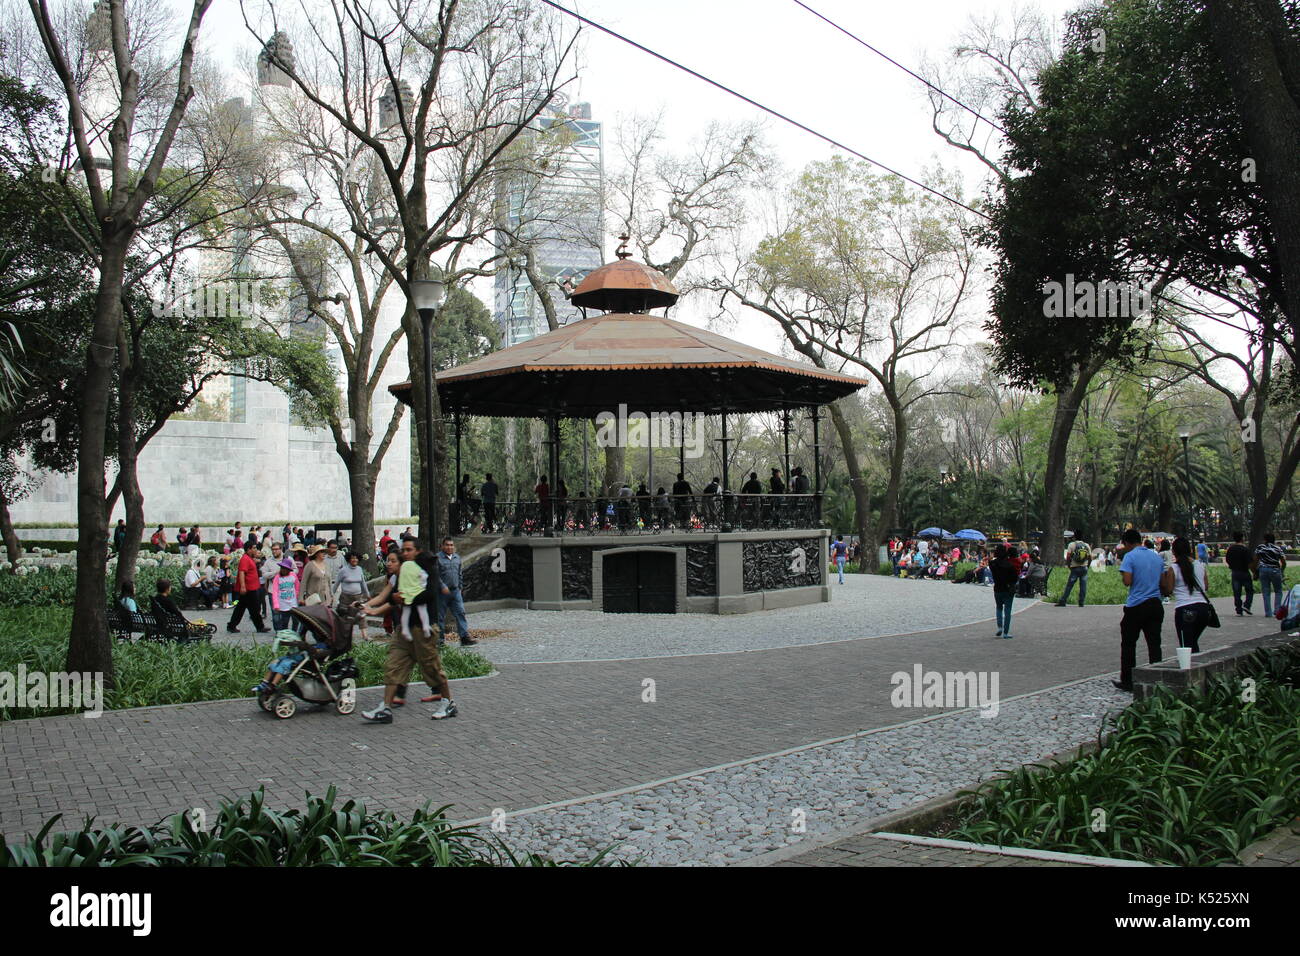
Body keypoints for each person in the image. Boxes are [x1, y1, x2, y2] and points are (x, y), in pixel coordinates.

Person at [362, 538, 457, 723]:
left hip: (424, 629)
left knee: (432, 668)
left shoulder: (429, 569)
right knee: (393, 665)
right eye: (403, 550)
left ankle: (448, 702)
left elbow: (429, 594)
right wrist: (372, 610)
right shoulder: (404, 570)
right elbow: (393, 597)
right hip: (404, 630)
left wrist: (405, 600)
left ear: (418, 551)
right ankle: (385, 708)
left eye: (408, 550)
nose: (404, 553)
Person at [1114, 528, 1172, 692]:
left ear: (1127, 542)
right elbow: (1162, 583)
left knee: (1129, 644)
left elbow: (1127, 581)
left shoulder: (1130, 556)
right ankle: (1156, 678)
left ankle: (1128, 681)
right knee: (1154, 644)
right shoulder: (1155, 557)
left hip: (1136, 605)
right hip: (1155, 604)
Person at [1170, 536, 1212, 654]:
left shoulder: (1174, 568)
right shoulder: (1200, 565)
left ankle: (1189, 668)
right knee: (1193, 642)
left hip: (1185, 609)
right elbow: (1206, 586)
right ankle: (1197, 665)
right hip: (1203, 610)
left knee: (1186, 646)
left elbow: (1168, 589)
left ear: (1174, 551)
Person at [434, 536, 477, 647]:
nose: (449, 547)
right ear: (442, 546)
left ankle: (464, 637)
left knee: (461, 612)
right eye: (447, 545)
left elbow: (459, 573)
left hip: (455, 591)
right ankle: (440, 640)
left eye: (451, 545)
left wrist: (460, 586)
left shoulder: (457, 558)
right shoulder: (437, 558)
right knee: (440, 616)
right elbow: (435, 575)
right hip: (441, 592)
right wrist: (442, 586)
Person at [227, 542, 269, 634]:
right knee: (254, 608)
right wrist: (242, 586)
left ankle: (231, 625)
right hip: (249, 588)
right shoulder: (245, 559)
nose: (256, 550)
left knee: (241, 608)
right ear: (248, 549)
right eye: (254, 548)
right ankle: (260, 626)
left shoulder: (247, 558)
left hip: (249, 587)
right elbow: (242, 572)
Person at [989, 544, 1019, 639]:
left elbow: (991, 562)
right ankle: (1006, 633)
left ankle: (999, 627)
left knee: (998, 608)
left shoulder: (992, 564)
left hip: (997, 588)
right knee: (1007, 610)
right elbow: (1014, 578)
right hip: (1008, 589)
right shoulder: (1010, 565)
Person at [1255, 533, 1287, 617]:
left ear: (1265, 539)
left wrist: (1255, 572)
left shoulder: (1260, 547)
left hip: (1263, 570)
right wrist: (1282, 570)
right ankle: (1277, 610)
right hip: (1275, 570)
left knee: (1266, 591)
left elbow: (1255, 559)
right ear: (1274, 540)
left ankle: (1268, 613)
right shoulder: (1278, 548)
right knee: (1278, 591)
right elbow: (1283, 561)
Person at [1225, 531, 1254, 616]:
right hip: (1245, 572)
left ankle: (1238, 610)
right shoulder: (1245, 549)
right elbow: (1250, 562)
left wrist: (1232, 565)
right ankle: (1247, 605)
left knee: (1237, 592)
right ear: (1242, 538)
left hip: (1235, 572)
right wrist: (1254, 572)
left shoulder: (1231, 549)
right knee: (1249, 590)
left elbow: (1227, 560)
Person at [1057, 538, 1092, 607]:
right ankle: (1081, 602)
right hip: (1084, 568)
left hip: (1075, 568)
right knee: (1083, 586)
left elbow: (1068, 556)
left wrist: (1069, 565)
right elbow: (1090, 557)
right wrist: (1087, 566)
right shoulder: (1086, 545)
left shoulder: (1071, 545)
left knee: (1069, 586)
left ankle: (1063, 601)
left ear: (1075, 537)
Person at [269, 557, 300, 632]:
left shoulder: (293, 575)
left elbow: (297, 587)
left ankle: (294, 633)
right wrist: (276, 604)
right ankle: (285, 635)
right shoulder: (277, 577)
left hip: (293, 603)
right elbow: (275, 591)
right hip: (283, 604)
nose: (283, 570)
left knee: (296, 621)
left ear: (289, 569)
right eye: (282, 568)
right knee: (284, 622)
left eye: (285, 568)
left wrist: (296, 596)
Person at [299, 544, 333, 609]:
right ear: (316, 554)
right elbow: (303, 582)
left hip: (326, 598)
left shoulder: (327, 565)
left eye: (324, 552)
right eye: (321, 552)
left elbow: (329, 582)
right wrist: (301, 598)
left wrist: (331, 595)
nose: (324, 554)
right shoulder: (310, 565)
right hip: (314, 598)